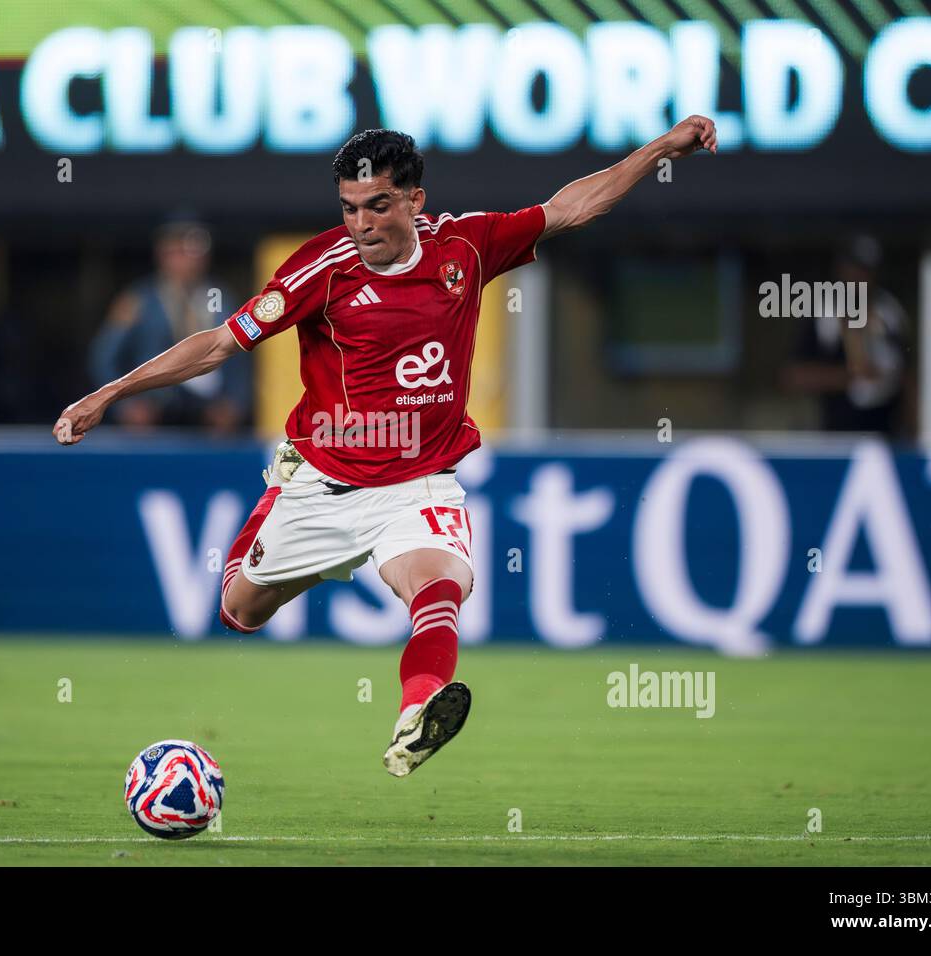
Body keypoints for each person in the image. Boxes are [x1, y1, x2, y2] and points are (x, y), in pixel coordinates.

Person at [55, 119, 718, 776]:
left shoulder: (467, 246)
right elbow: (221, 342)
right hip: (321, 479)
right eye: (349, 208)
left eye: (378, 205)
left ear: (415, 201)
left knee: (443, 582)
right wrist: (110, 392)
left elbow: (572, 208)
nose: (362, 224)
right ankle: (275, 494)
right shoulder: (322, 268)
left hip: (419, 481)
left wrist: (661, 148)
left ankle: (418, 710)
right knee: (238, 608)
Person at [88, 219, 252, 433]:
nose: (188, 260)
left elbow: (241, 356)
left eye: (195, 250)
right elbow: (104, 356)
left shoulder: (221, 297)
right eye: (178, 251)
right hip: (155, 407)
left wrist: (234, 403)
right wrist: (125, 406)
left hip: (208, 411)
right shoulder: (140, 299)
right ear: (162, 254)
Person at [782, 237, 908, 434]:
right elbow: (794, 376)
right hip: (835, 437)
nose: (859, 278)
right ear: (841, 269)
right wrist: (851, 376)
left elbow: (906, 376)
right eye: (855, 269)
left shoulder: (889, 313)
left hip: (885, 435)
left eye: (866, 271)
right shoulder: (822, 313)